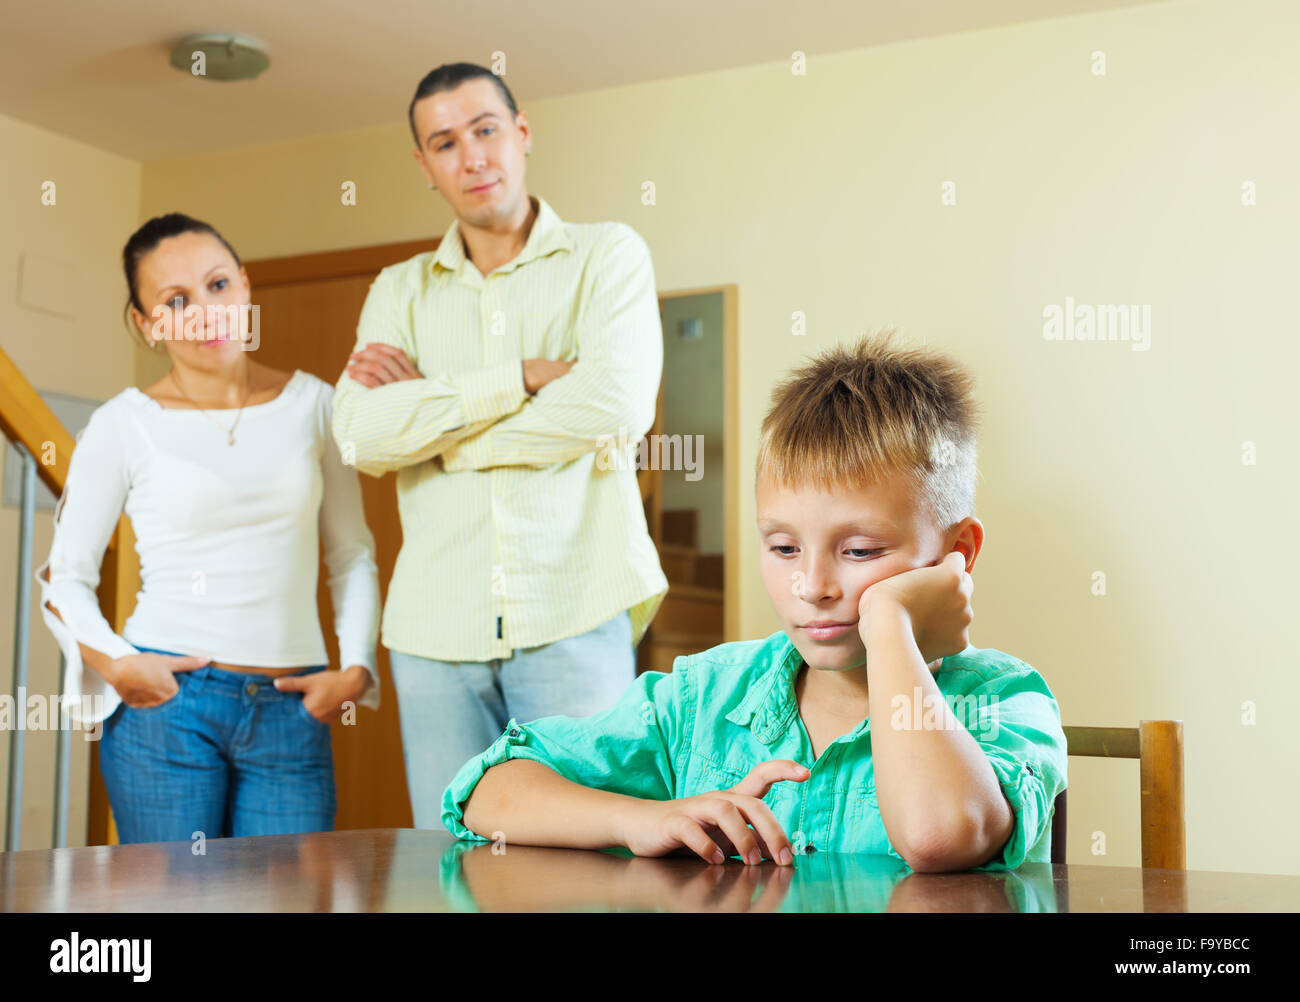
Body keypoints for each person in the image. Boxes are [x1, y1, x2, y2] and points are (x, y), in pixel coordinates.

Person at [440, 333, 1068, 872]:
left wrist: (891, 623)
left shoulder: (1006, 700)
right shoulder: (700, 700)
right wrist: (638, 818)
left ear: (958, 551)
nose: (812, 586)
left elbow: (937, 836)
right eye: (784, 547)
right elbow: (486, 790)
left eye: (859, 551)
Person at [332, 62, 667, 829]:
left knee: (598, 852)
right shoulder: (399, 289)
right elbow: (358, 433)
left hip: (574, 609)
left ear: (521, 134)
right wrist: (520, 377)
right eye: (444, 143)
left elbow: (616, 404)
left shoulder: (606, 256)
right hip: (432, 632)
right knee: (455, 856)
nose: (472, 156)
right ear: (424, 167)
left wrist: (438, 432)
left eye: (485, 130)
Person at [36, 213, 381, 843]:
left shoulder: (316, 404)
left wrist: (356, 668)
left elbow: (353, 553)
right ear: (145, 325)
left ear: (245, 287)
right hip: (166, 706)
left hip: (292, 706)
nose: (205, 311)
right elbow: (66, 578)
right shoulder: (123, 424)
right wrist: (117, 665)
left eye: (218, 285)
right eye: (175, 301)